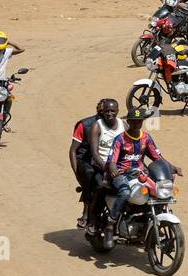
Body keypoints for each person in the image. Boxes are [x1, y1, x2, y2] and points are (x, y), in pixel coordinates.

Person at [102, 106, 181, 250]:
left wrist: (172, 167)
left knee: (158, 193)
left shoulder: (146, 138)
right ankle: (110, 225)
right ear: (129, 122)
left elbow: (158, 157)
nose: (137, 124)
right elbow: (112, 160)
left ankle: (147, 225)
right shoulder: (120, 139)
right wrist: (113, 168)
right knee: (125, 193)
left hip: (140, 174)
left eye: (139, 121)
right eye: (134, 121)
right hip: (122, 174)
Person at [70, 98, 118, 229]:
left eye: (111, 111)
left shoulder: (116, 125)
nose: (108, 114)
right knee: (90, 174)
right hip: (85, 158)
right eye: (105, 111)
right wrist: (77, 174)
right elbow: (73, 150)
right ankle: (86, 213)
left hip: (104, 159)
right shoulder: (85, 124)